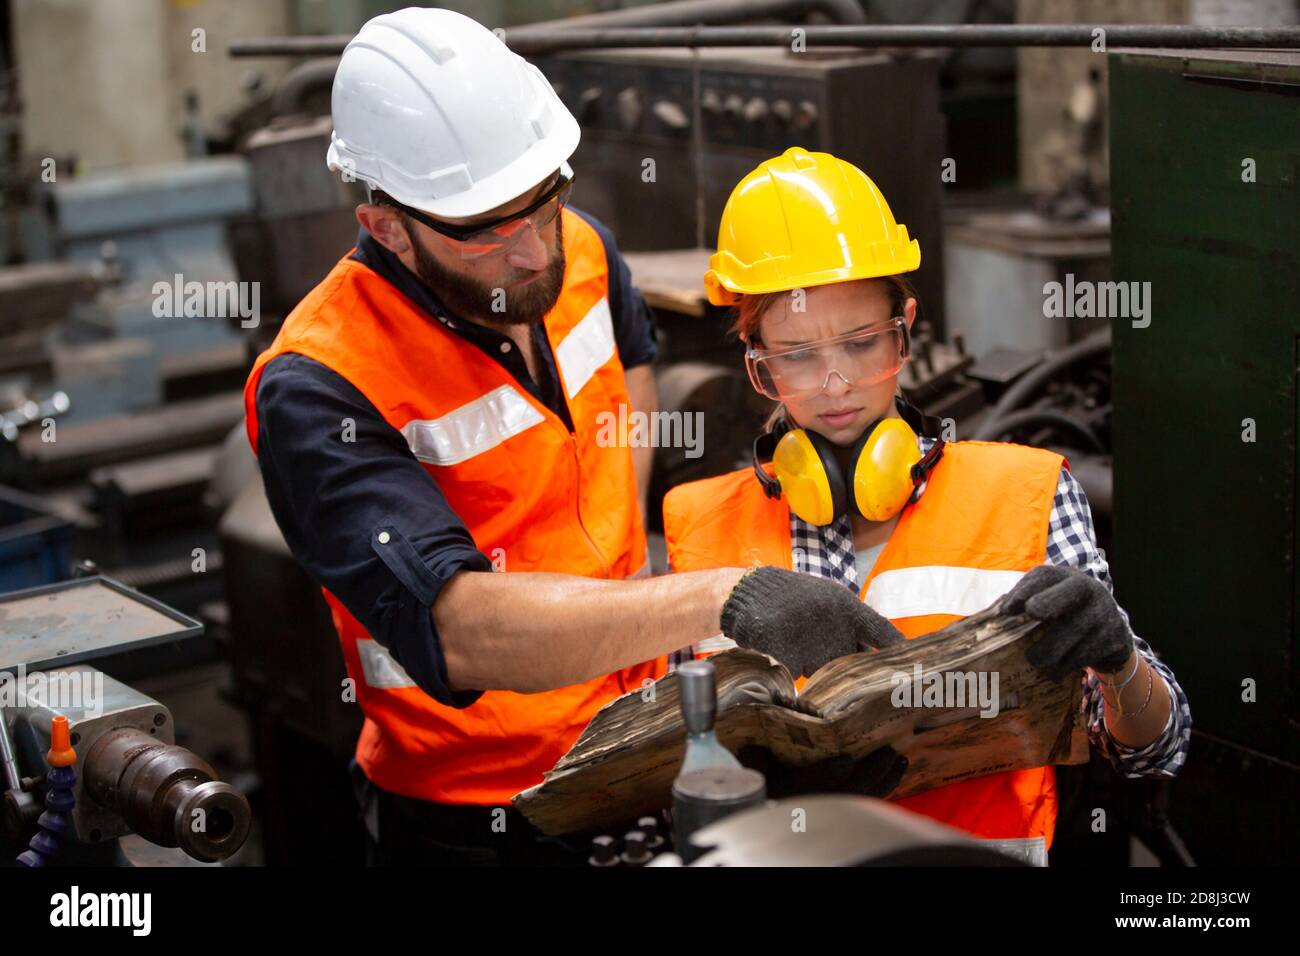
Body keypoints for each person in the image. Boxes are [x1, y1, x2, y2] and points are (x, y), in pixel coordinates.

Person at [243, 10, 889, 865]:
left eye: (545, 201)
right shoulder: (320, 385)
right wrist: (720, 597)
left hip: (645, 740)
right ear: (388, 226)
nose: (530, 254)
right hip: (481, 807)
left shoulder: (582, 254)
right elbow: (460, 627)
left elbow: (633, 406)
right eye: (485, 230)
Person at [663, 147, 1192, 850]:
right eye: (795, 356)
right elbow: (668, 763)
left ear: (906, 325)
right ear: (753, 355)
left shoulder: (1026, 495)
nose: (835, 384)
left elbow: (1154, 748)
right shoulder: (699, 528)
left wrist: (1119, 663)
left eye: (861, 344)